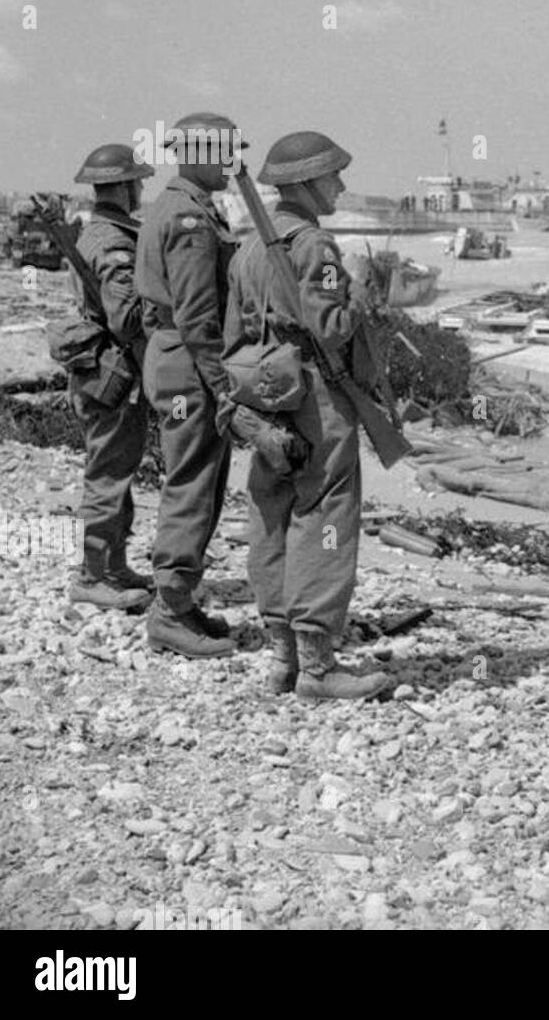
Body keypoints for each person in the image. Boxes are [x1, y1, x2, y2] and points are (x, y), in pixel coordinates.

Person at [225, 131, 387, 700]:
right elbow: (332, 327)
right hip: (318, 400)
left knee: (271, 518)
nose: (340, 184)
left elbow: (232, 340)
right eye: (332, 175)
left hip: (267, 397)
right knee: (323, 520)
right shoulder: (315, 246)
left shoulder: (247, 248)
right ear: (306, 182)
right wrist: (363, 292)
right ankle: (318, 667)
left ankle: (281, 659)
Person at [135, 113, 245, 658]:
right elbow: (199, 314)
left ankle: (180, 602)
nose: (232, 165)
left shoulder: (186, 207)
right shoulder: (189, 219)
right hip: (190, 365)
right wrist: (224, 385)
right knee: (192, 484)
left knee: (198, 479)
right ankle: (170, 611)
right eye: (225, 153)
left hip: (179, 358)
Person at [66, 145, 156, 611]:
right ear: (123, 186)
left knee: (116, 472)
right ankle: (93, 575)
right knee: (107, 476)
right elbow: (127, 319)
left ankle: (114, 566)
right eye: (137, 182)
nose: (142, 189)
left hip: (103, 372)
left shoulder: (95, 232)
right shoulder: (115, 241)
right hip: (113, 375)